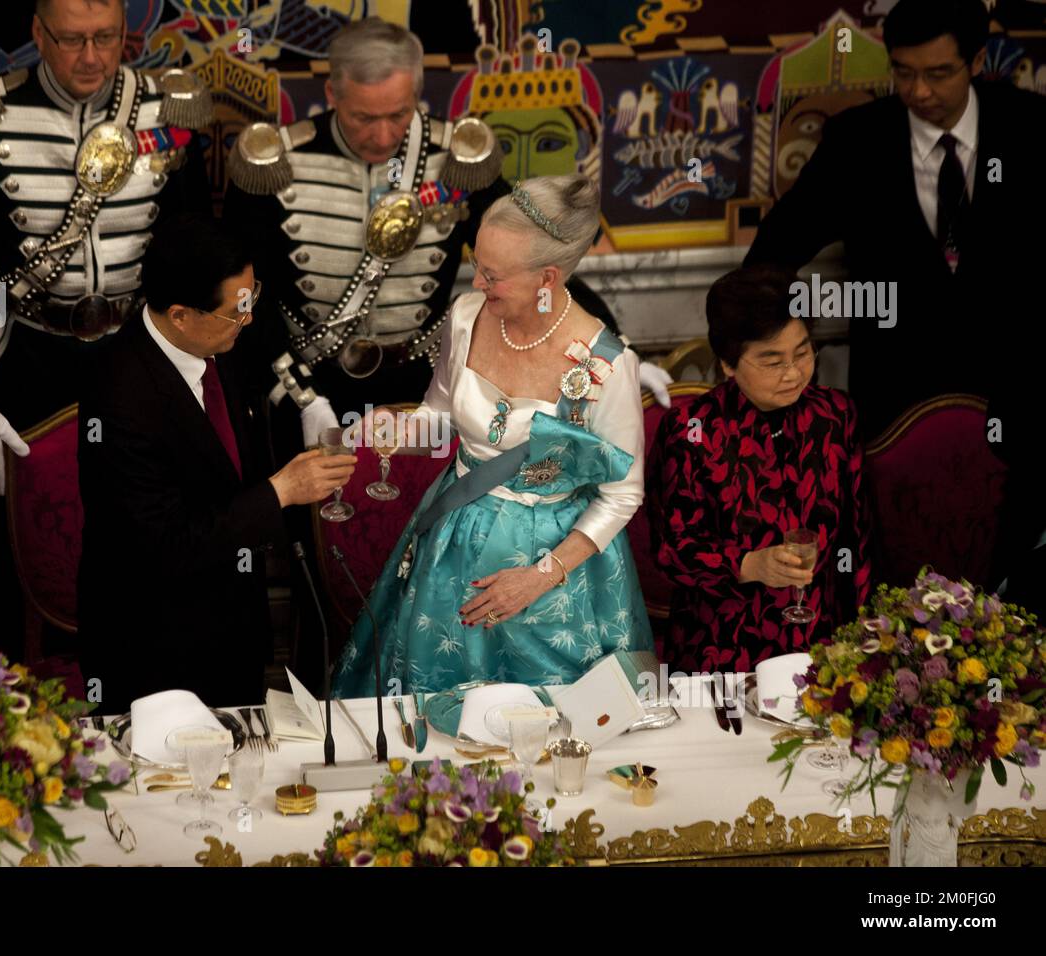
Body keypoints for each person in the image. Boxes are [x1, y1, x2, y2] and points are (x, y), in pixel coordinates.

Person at [224, 18, 674, 456]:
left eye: (399, 115)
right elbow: (246, 294)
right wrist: (302, 398)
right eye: (363, 118)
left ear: (416, 96)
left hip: (424, 387)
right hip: (309, 383)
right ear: (331, 95)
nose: (382, 135)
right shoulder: (273, 164)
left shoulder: (458, 162)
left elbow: (531, 262)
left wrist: (612, 352)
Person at [333, 174, 653, 696]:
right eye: (477, 266)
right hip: (453, 539)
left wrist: (540, 576)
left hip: (555, 568)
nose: (477, 283)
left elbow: (622, 495)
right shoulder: (465, 317)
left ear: (547, 278)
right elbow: (440, 413)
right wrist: (396, 430)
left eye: (493, 275)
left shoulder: (607, 366)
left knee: (552, 724)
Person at [77, 218, 357, 712]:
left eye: (252, 299)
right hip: (156, 646)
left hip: (233, 626)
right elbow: (165, 546)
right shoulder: (119, 396)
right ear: (181, 315)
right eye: (237, 310)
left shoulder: (219, 342)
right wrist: (282, 491)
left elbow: (233, 462)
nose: (249, 319)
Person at [743, 0, 1046, 441]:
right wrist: (772, 343)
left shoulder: (1031, 129)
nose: (919, 91)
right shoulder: (857, 143)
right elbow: (773, 251)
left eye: (938, 73)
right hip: (895, 410)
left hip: (1019, 399)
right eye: (904, 72)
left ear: (977, 61)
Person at [0, 0, 214, 432]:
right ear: (39, 34)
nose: (92, 57)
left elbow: (197, 254)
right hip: (25, 367)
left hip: (142, 361)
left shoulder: (166, 112)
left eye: (106, 37)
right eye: (72, 39)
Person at [647, 265, 873, 673]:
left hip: (823, 641)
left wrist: (864, 640)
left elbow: (857, 540)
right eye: (771, 361)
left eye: (802, 353)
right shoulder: (691, 430)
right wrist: (749, 564)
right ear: (729, 364)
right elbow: (671, 550)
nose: (793, 373)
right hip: (723, 645)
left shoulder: (835, 415)